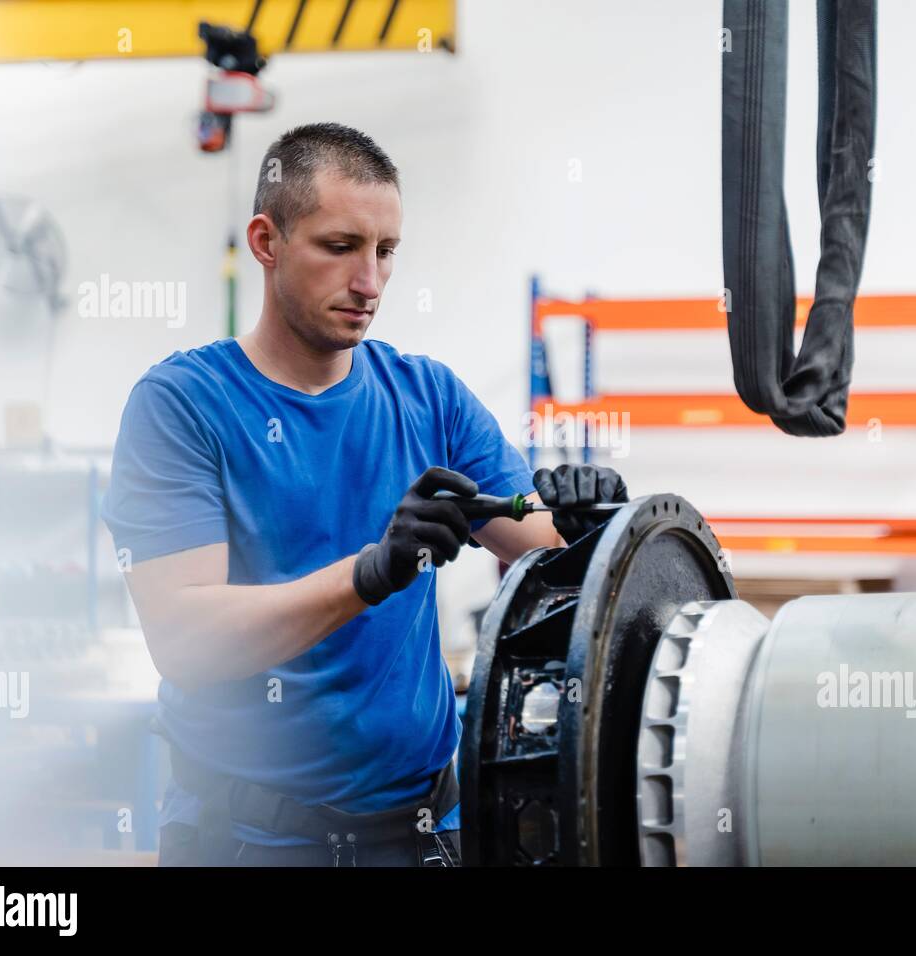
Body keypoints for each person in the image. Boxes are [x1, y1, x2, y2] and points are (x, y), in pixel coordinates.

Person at [102, 122, 627, 866]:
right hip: (249, 840)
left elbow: (544, 556)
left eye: (386, 252)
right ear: (266, 240)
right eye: (341, 247)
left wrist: (588, 523)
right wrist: (373, 572)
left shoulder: (430, 398)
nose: (370, 283)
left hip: (418, 836)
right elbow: (187, 641)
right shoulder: (183, 406)